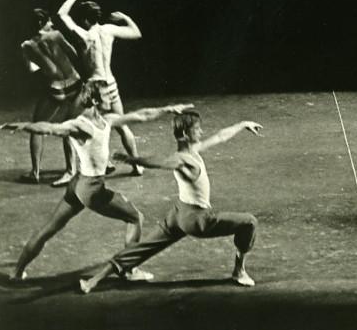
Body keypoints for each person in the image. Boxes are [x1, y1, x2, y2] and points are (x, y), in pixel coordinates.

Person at [0, 81, 193, 282]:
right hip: (90, 189)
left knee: (49, 228)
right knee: (135, 218)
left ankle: (17, 272)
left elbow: (141, 115)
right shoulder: (82, 124)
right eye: (106, 95)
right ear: (94, 99)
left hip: (78, 185)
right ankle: (129, 270)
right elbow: (51, 128)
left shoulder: (106, 120)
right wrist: (24, 126)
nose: (111, 97)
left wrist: (169, 109)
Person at [79, 111, 261, 293]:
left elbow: (220, 136)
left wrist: (243, 124)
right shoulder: (181, 159)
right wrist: (131, 159)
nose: (201, 132)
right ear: (184, 134)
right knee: (249, 222)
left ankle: (93, 282)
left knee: (141, 249)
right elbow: (159, 163)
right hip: (197, 219)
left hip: (178, 213)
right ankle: (239, 271)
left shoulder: (193, 150)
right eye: (196, 129)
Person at [57, 0, 145, 176]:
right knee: (121, 125)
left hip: (95, 88)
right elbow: (136, 33)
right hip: (111, 84)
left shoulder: (84, 35)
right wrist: (125, 17)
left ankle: (70, 172)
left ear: (85, 20)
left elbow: (61, 15)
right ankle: (137, 165)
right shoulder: (108, 30)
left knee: (70, 124)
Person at [19, 9, 82, 185]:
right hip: (75, 83)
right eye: (49, 21)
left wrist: (44, 65)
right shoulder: (56, 35)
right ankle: (74, 169)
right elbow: (74, 53)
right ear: (42, 23)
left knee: (37, 127)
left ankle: (35, 172)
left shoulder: (26, 45)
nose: (52, 23)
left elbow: (31, 69)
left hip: (56, 88)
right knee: (72, 125)